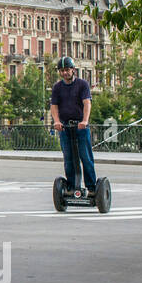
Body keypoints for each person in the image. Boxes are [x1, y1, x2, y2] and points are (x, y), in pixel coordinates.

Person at [50, 55, 98, 197]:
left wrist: (85, 121)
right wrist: (56, 121)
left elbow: (87, 103)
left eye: (67, 70)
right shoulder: (57, 87)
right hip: (65, 127)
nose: (65, 73)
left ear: (73, 70)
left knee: (85, 157)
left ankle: (92, 188)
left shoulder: (82, 85)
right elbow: (54, 106)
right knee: (69, 158)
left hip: (80, 127)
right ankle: (71, 187)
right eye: (62, 70)